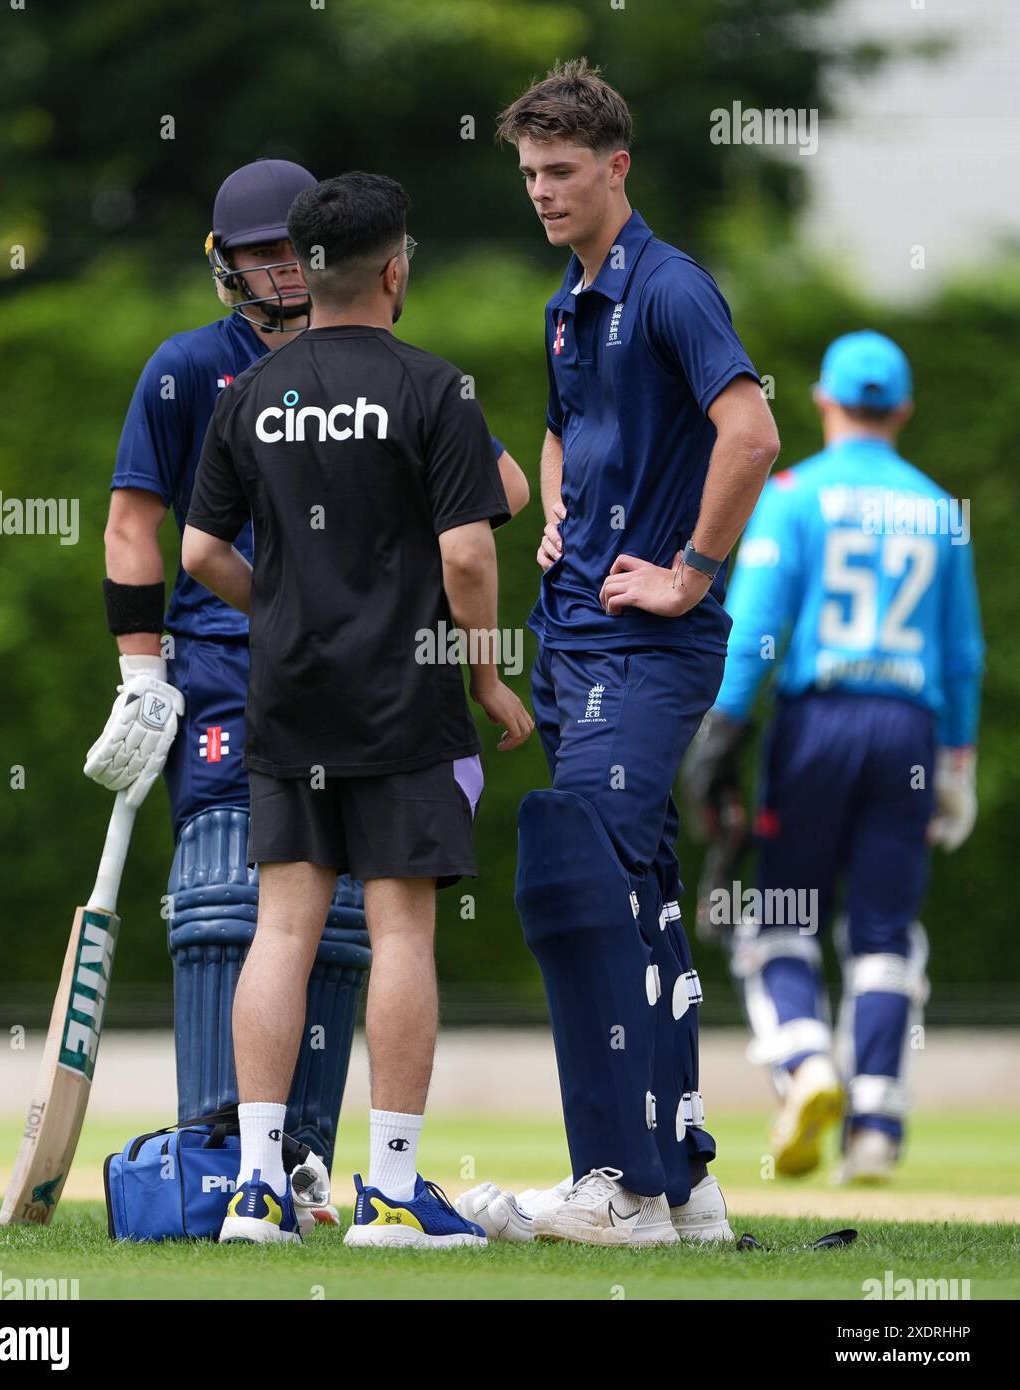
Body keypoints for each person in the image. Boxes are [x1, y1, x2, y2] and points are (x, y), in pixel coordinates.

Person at [85, 159, 526, 1212]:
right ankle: (393, 1191)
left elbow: (193, 547)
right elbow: (476, 543)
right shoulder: (432, 386)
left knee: (278, 929)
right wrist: (487, 674)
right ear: (395, 269)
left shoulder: (252, 394)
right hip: (398, 697)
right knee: (399, 932)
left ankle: (253, 1185)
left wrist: (281, 608)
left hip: (283, 691)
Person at [492, 59, 779, 1246]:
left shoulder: (670, 289)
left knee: (582, 885)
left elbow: (752, 433)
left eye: (561, 172)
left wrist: (691, 574)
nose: (543, 193)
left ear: (617, 166)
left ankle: (615, 1181)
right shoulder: (569, 303)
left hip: (646, 648)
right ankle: (684, 1179)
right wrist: (558, 511)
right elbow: (563, 436)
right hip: (574, 635)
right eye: (528, 174)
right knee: (644, 900)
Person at [682, 332, 984, 1184]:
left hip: (818, 723)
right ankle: (878, 1123)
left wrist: (721, 730)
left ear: (823, 401)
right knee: (885, 930)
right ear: (906, 409)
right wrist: (956, 763)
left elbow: (756, 626)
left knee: (780, 908)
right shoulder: (938, 508)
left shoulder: (796, 493)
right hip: (911, 731)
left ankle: (808, 1065)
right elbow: (962, 653)